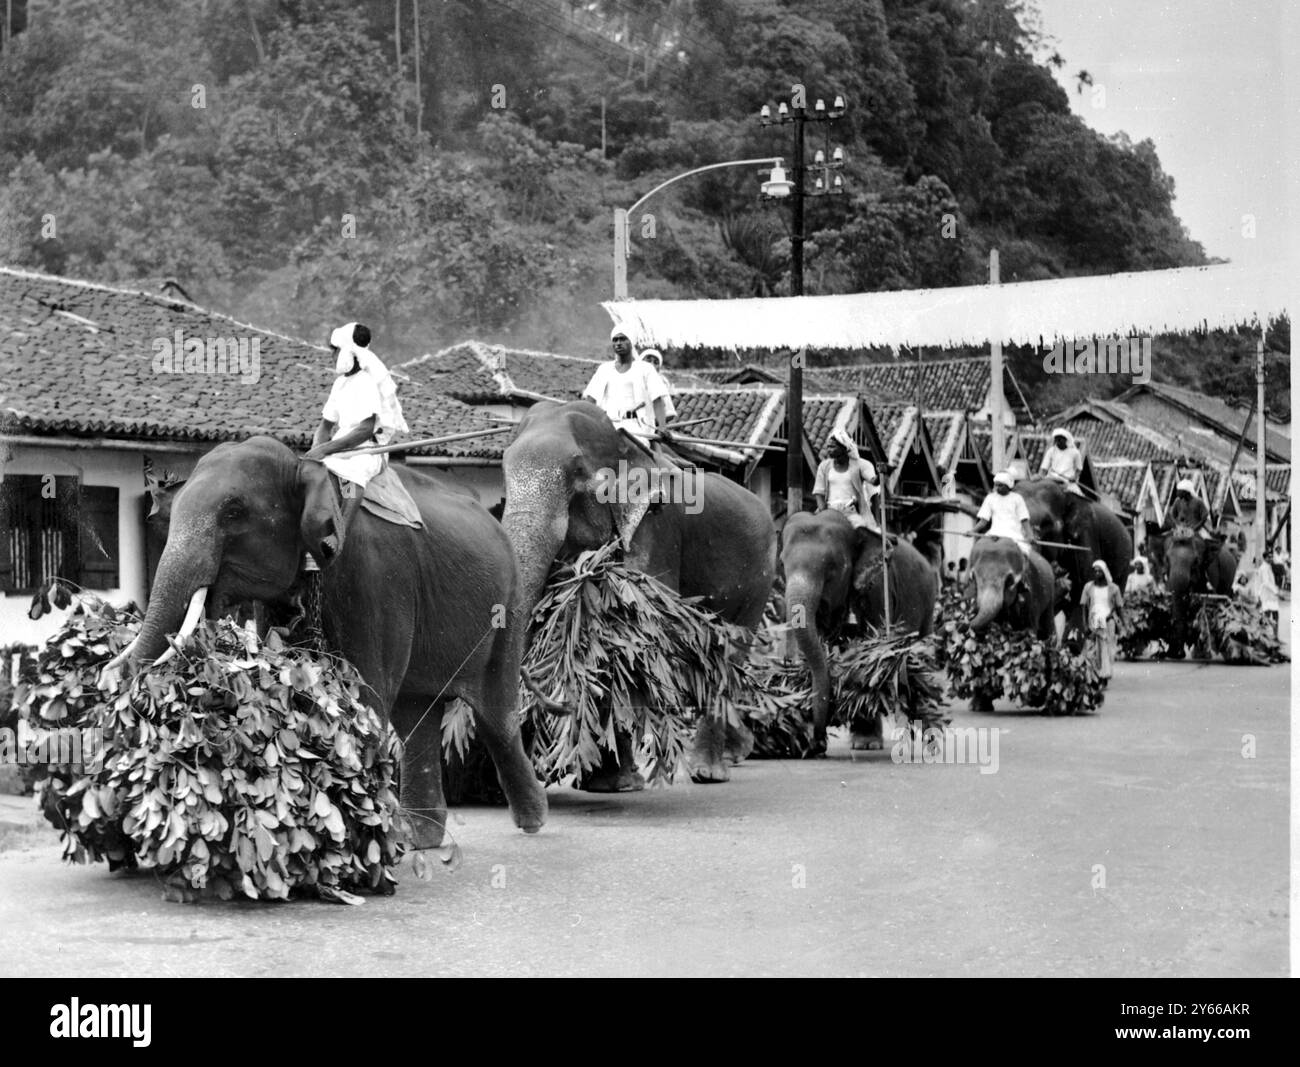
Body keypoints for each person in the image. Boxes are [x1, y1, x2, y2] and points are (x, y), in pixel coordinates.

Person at [304, 322, 408, 556]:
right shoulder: (340, 384)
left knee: (350, 478)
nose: (332, 356)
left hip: (366, 450)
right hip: (339, 447)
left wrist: (327, 449)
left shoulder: (367, 382)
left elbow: (365, 429)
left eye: (335, 351)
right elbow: (324, 426)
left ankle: (339, 535)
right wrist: (317, 448)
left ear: (347, 352)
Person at [583, 326, 673, 445]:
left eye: (622, 339)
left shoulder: (645, 369)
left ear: (631, 342)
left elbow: (657, 399)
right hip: (607, 426)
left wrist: (662, 428)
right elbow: (590, 401)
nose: (618, 343)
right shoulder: (604, 369)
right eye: (615, 340)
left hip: (636, 428)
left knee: (626, 459)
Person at [812, 428, 879, 530]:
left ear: (844, 447)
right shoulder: (824, 466)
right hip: (829, 511)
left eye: (833, 447)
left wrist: (882, 473)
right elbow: (819, 492)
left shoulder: (859, 465)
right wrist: (822, 512)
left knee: (864, 534)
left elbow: (873, 481)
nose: (829, 449)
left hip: (850, 513)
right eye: (828, 446)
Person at [1081, 560, 1123, 683]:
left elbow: (1119, 606)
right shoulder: (1088, 587)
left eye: (1100, 571)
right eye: (1095, 571)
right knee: (1098, 647)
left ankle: (1104, 671)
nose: (1097, 573)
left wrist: (1123, 624)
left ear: (1105, 572)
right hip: (1096, 618)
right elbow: (1083, 605)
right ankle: (1100, 674)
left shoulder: (1113, 588)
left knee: (1108, 648)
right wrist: (1084, 624)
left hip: (1108, 619)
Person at [974, 471, 1034, 552]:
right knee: (977, 549)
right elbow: (983, 520)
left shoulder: (1017, 498)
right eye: (996, 485)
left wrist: (1030, 535)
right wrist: (972, 531)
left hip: (1014, 535)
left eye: (1000, 485)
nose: (997, 488)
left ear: (1007, 486)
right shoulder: (990, 498)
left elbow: (1024, 519)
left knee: (1026, 552)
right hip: (994, 533)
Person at [1039, 428, 1084, 494]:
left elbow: (1079, 469)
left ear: (1065, 440)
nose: (1058, 441)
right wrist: (1041, 477)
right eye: (1056, 439)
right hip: (1051, 479)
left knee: (1079, 495)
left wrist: (1074, 477)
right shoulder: (1051, 451)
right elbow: (1044, 468)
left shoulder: (1075, 452)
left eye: (1060, 439)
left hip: (1067, 482)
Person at [639, 348, 677, 419]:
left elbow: (669, 413)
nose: (651, 364)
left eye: (656, 363)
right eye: (649, 360)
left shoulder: (660, 383)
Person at [1253, 555, 1279, 635]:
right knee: (1267, 616)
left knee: (1274, 615)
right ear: (1265, 558)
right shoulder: (1264, 568)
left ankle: (1274, 635)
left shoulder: (1268, 567)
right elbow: (1266, 582)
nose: (1271, 558)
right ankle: (1266, 635)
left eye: (1271, 557)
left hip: (1270, 595)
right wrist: (1276, 592)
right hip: (1266, 595)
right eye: (1269, 557)